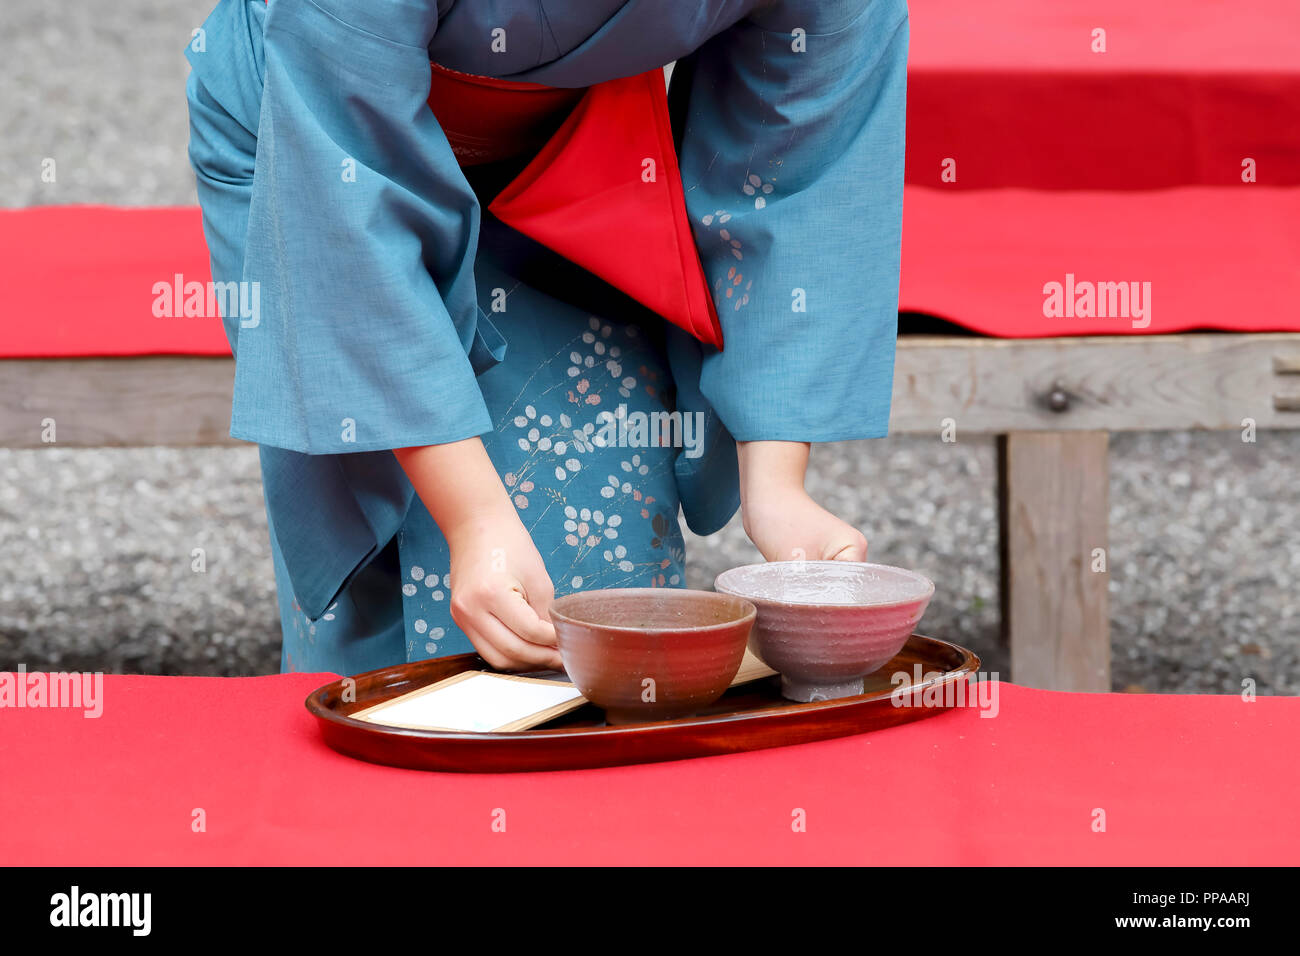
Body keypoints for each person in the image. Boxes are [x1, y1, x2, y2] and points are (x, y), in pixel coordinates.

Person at [185, 0, 909, 675]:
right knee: (391, 540)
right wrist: (473, 519)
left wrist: (777, 487)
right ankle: (375, 791)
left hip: (571, 160)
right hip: (314, 147)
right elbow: (345, 202)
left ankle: (589, 809)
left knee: (594, 580)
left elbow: (792, 157)